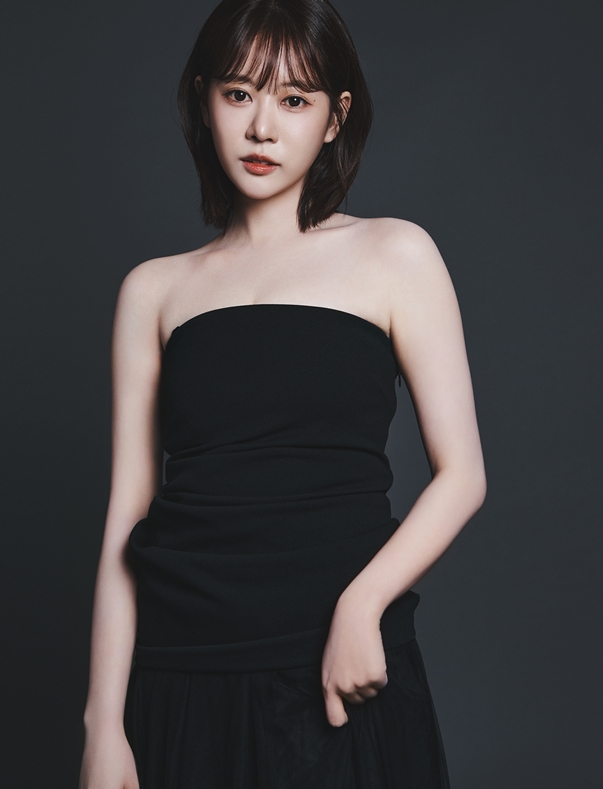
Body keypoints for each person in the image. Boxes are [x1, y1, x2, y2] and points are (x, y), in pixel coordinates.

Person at [79, 0, 486, 786]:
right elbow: (127, 519)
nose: (262, 127)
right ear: (203, 99)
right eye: (238, 94)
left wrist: (364, 604)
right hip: (181, 676)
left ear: (336, 117)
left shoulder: (395, 254)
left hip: (340, 672)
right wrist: (103, 722)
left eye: (294, 100)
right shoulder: (153, 291)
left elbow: (463, 473)